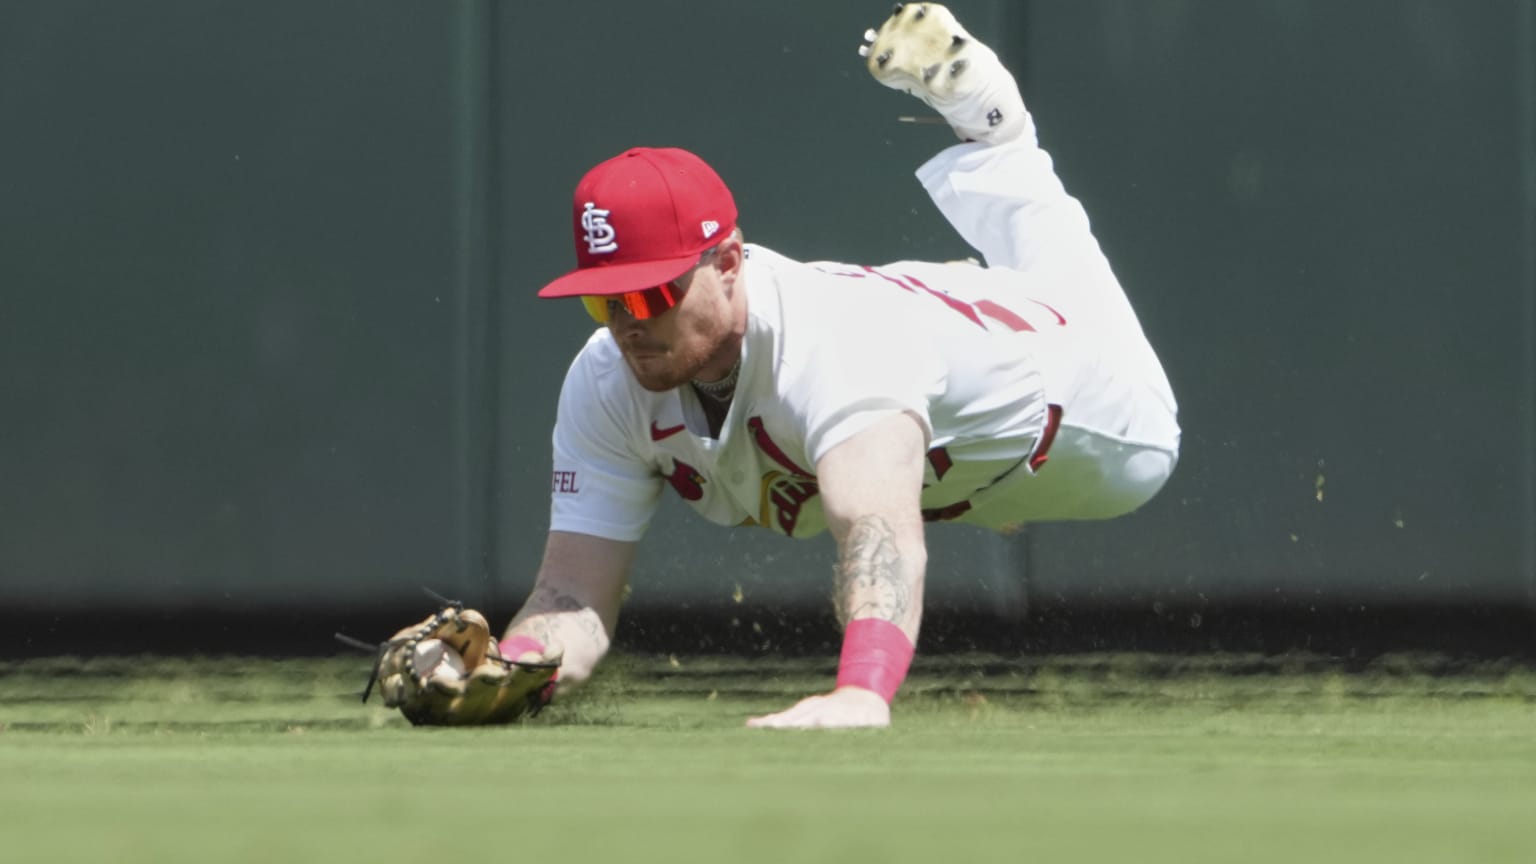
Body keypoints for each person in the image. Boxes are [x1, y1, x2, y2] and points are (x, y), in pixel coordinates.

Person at [497, 3, 1180, 729]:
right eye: (604, 300)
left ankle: (994, 130)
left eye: (651, 291)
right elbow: (570, 595)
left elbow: (877, 532)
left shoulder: (831, 345)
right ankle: (976, 214)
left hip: (1088, 394)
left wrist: (862, 692)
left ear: (728, 263)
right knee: (912, 355)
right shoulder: (606, 379)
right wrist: (496, 670)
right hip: (938, 386)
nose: (629, 321)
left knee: (1048, 272)